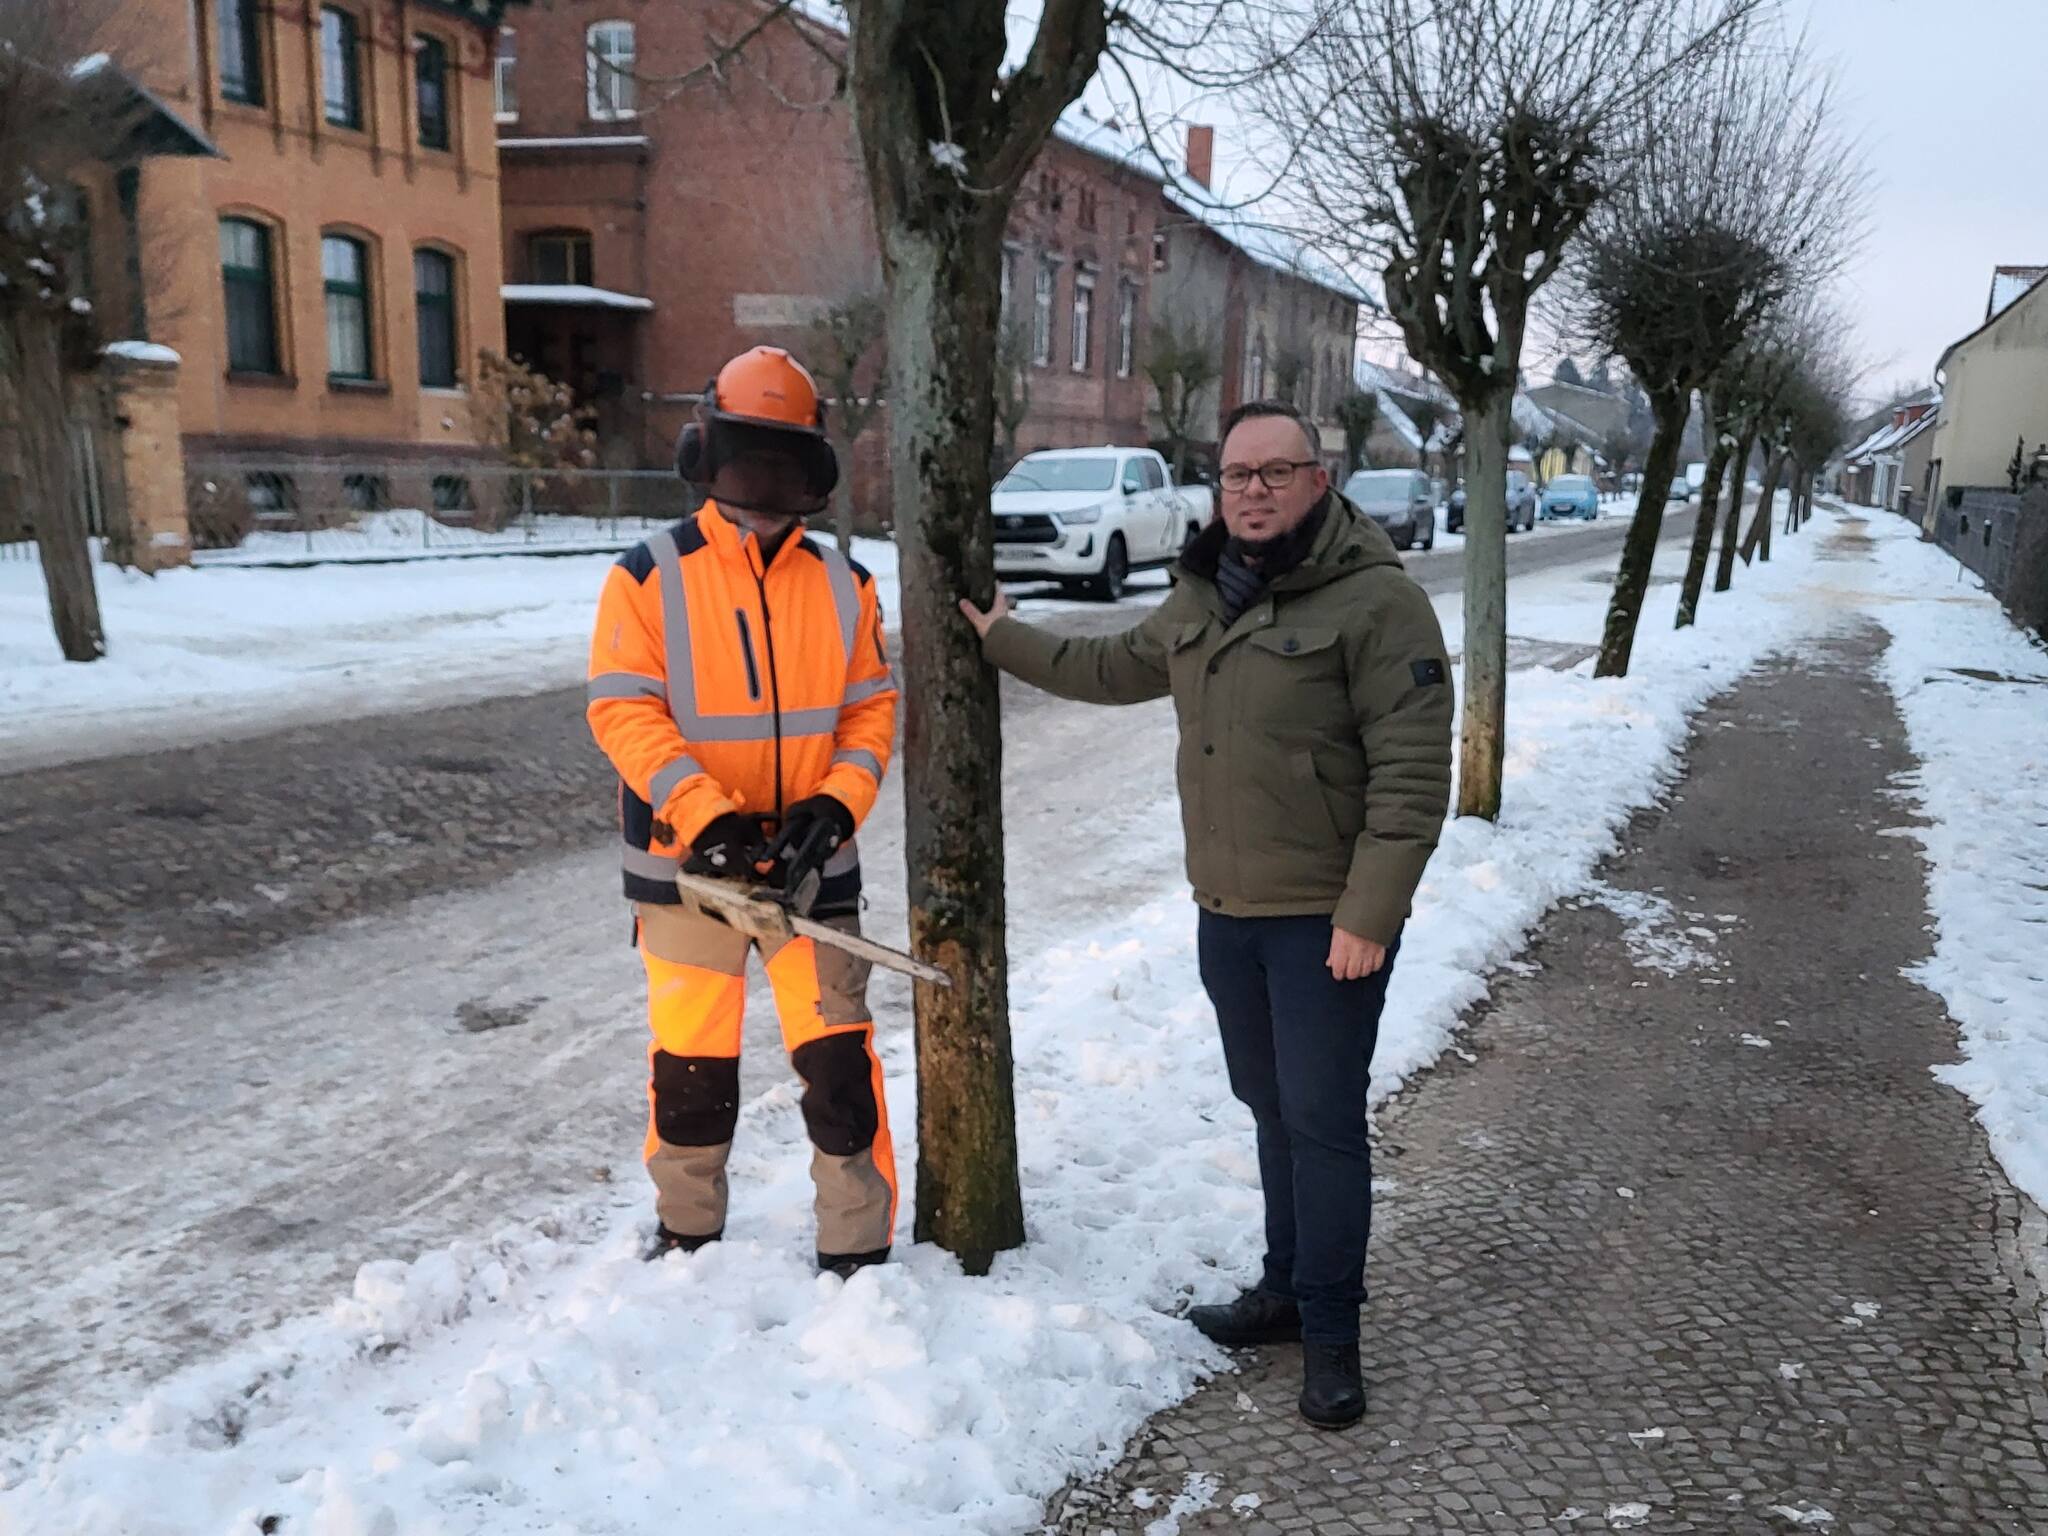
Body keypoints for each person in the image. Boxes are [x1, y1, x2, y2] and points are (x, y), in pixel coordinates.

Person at [961, 402, 1452, 1428]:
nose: (1253, 491)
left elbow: (1409, 780)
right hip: (1226, 913)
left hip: (1326, 923)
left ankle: (1330, 1334)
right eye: (1236, 475)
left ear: (1319, 482)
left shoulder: (1375, 604)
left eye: (1276, 472)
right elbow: (1109, 670)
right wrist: (1002, 637)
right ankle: (1281, 1289)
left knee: (1321, 1126)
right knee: (1268, 1108)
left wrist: (1368, 915)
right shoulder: (1201, 592)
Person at [586, 346, 899, 1277]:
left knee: (838, 1064)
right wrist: (705, 814)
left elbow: (869, 712)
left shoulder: (846, 585)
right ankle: (687, 1233)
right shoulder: (646, 577)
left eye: (783, 467)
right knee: (689, 1065)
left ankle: (858, 1244)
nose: (763, 489)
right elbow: (622, 708)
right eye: (746, 462)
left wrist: (835, 810)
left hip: (814, 869)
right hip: (689, 872)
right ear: (707, 453)